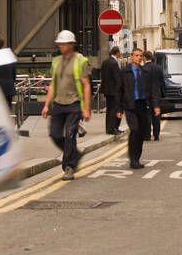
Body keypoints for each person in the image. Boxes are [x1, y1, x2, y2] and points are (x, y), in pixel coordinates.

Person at [41, 29, 90, 179]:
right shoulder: (56, 61)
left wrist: (87, 108)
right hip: (59, 104)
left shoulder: (80, 61)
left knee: (69, 135)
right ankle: (74, 154)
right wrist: (46, 104)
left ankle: (69, 166)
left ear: (71, 44)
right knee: (55, 134)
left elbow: (86, 85)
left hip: (74, 103)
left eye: (63, 44)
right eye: (59, 44)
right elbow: (53, 84)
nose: (61, 46)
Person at [119, 47, 161, 169]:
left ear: (142, 57)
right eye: (136, 55)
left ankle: (136, 158)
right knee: (135, 130)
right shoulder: (124, 72)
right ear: (131, 57)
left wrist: (156, 105)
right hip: (130, 106)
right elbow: (119, 90)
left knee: (141, 133)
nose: (138, 58)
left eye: (140, 56)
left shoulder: (146, 72)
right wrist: (118, 109)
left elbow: (153, 90)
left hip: (143, 105)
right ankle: (132, 159)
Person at [101, 47, 123, 136]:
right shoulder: (114, 63)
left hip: (107, 90)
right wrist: (119, 89)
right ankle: (112, 129)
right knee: (114, 110)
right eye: (120, 52)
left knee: (109, 109)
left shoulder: (105, 61)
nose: (121, 54)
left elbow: (102, 75)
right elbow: (117, 78)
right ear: (116, 53)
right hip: (113, 90)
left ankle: (109, 128)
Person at [142, 51, 164, 140]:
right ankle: (156, 135)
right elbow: (162, 82)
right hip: (157, 95)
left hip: (146, 96)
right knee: (156, 116)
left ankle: (147, 135)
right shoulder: (158, 68)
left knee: (147, 117)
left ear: (144, 58)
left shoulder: (143, 68)